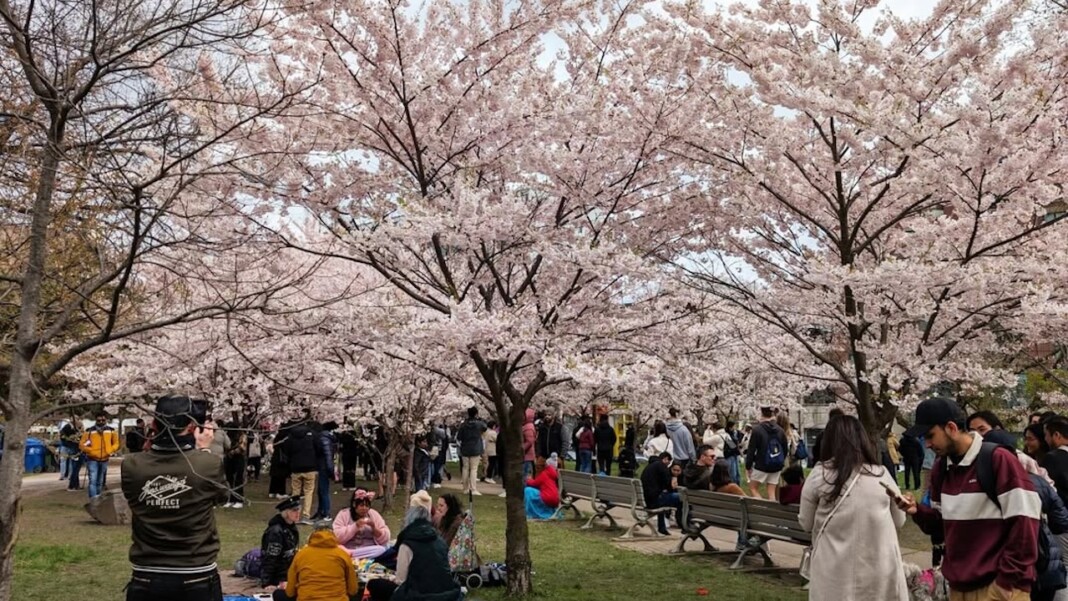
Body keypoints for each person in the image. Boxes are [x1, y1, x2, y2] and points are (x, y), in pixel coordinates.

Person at [893, 397, 1040, 600]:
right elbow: (941, 526)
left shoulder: (998, 460)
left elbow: (1025, 523)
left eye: (930, 436)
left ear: (951, 427)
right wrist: (917, 510)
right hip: (959, 586)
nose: (927, 444)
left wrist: (1008, 581)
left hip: (998, 586)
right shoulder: (940, 469)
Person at [120, 395, 228, 601]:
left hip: (147, 573)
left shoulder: (132, 466)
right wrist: (204, 449)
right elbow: (220, 497)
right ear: (191, 428)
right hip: (196, 572)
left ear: (154, 424)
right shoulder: (207, 464)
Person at [800, 414, 908, 601]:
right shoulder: (881, 475)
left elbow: (806, 523)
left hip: (832, 569)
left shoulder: (819, 476)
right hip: (878, 567)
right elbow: (899, 520)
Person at [366, 492, 462, 601]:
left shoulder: (408, 543)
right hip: (446, 593)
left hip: (420, 595)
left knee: (374, 584)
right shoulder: (439, 540)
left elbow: (401, 581)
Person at [273, 522, 357, 601]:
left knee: (278, 594)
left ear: (312, 534)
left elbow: (290, 592)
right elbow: (353, 590)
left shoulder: (301, 555)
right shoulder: (342, 554)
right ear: (333, 534)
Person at [332, 488, 390, 560]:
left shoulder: (373, 514)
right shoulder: (344, 514)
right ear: (354, 504)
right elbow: (336, 536)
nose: (364, 508)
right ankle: (351, 554)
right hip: (347, 548)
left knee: (382, 549)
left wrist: (373, 527)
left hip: (367, 549)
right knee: (335, 548)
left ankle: (352, 555)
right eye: (361, 505)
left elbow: (385, 538)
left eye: (367, 506)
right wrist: (355, 526)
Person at [259, 496, 302, 590]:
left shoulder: (291, 527)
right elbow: (270, 558)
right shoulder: (276, 532)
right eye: (294, 510)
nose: (298, 513)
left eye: (299, 509)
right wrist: (267, 583)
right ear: (286, 512)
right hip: (279, 576)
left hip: (289, 572)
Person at [745, 407, 788, 500]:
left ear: (761, 414)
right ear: (772, 414)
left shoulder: (757, 430)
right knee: (771, 491)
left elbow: (751, 450)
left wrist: (748, 466)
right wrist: (780, 460)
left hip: (761, 464)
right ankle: (771, 511)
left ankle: (762, 508)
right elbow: (785, 449)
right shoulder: (780, 430)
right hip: (777, 465)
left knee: (753, 487)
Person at [285, 415, 320, 522]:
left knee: (295, 493)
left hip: (295, 467)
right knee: (308, 492)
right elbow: (318, 447)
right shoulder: (312, 434)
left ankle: (294, 515)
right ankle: (305, 515)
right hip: (310, 467)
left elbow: (287, 450)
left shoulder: (291, 435)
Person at [80, 410, 120, 498]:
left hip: (105, 458)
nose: (101, 422)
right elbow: (82, 444)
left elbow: (116, 443)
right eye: (99, 421)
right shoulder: (89, 431)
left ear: (106, 420)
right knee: (93, 480)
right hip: (92, 459)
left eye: (103, 420)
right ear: (95, 420)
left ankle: (98, 498)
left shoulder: (111, 431)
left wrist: (110, 450)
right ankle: (93, 499)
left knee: (100, 481)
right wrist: (91, 451)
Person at [640, 451, 682, 535]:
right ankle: (683, 524)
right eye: (668, 463)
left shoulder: (649, 467)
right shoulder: (661, 466)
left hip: (645, 500)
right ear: (666, 459)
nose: (668, 466)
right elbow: (669, 487)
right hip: (654, 501)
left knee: (663, 497)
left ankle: (662, 527)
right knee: (681, 497)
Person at [456, 407, 488, 496]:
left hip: (465, 448)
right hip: (476, 448)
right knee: (474, 469)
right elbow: (485, 427)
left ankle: (465, 488)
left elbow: (459, 437)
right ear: (476, 413)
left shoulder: (463, 425)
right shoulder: (479, 424)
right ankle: (473, 488)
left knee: (465, 468)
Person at [314, 421, 338, 520]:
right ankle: (321, 511)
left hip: (324, 466)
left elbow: (328, 455)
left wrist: (330, 469)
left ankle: (326, 512)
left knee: (323, 490)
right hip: (324, 466)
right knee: (321, 490)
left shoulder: (324, 439)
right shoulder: (329, 438)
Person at [224, 426, 248, 508]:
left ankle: (239, 500)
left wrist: (231, 452)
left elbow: (242, 448)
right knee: (229, 479)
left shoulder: (242, 436)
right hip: (229, 459)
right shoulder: (227, 435)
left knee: (238, 479)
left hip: (239, 458)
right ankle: (230, 499)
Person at [337, 422, 360, 491]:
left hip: (345, 453)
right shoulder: (354, 434)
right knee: (352, 469)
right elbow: (357, 443)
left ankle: (346, 485)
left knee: (346, 469)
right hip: (353, 453)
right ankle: (352, 484)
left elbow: (340, 444)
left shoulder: (343, 434)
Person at [522, 409, 537, 478]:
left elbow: (529, 441)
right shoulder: (526, 426)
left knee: (525, 475)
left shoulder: (528, 427)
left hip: (527, 456)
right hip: (526, 456)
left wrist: (522, 449)